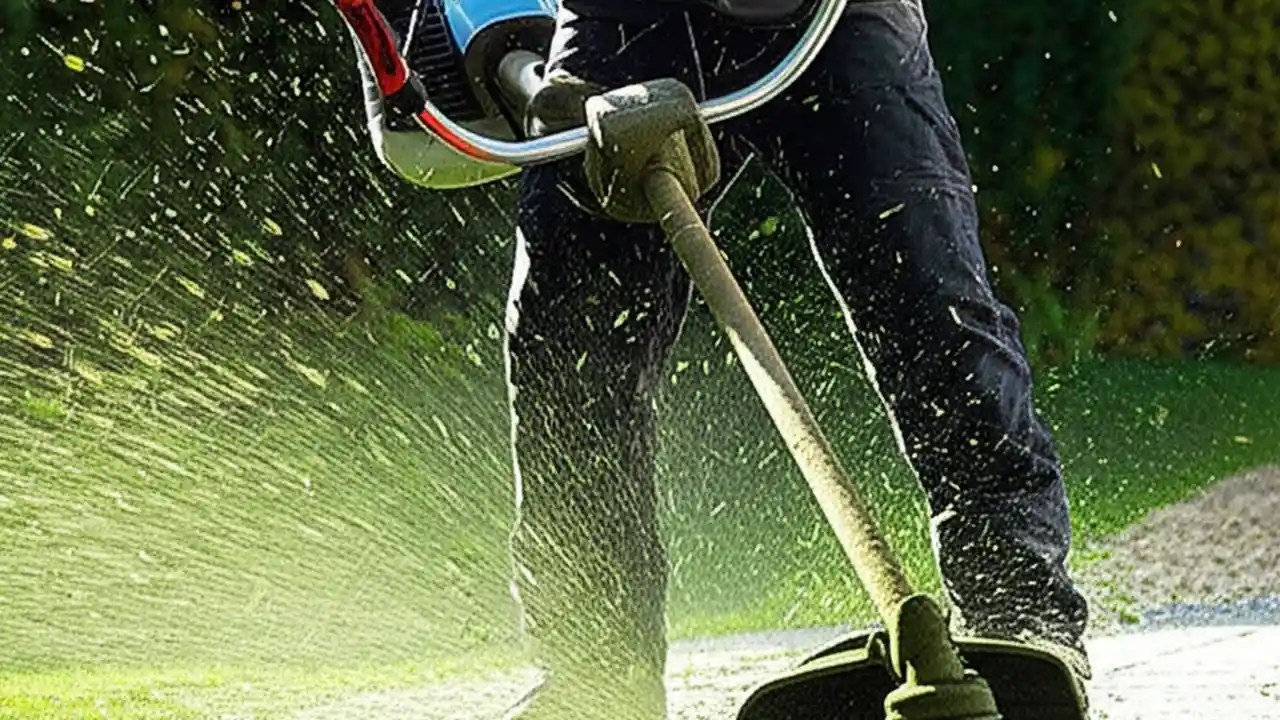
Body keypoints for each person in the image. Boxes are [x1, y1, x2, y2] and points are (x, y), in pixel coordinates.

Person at [337, 1, 1092, 718]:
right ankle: (597, 676)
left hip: (836, 23)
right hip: (627, 25)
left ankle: (1019, 617)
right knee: (571, 342)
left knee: (931, 297)